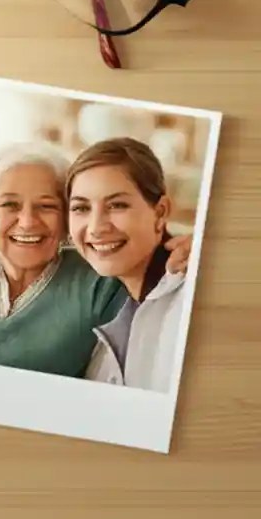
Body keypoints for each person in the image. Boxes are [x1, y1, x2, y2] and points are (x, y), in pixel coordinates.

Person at [0, 142, 190, 379]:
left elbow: (148, 251)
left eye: (46, 206)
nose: (27, 222)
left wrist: (195, 245)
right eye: (10, 205)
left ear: (66, 222)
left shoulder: (102, 278)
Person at [67, 138, 190, 392]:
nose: (96, 227)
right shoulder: (116, 306)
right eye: (81, 208)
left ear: (160, 212)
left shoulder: (188, 295)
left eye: (117, 205)